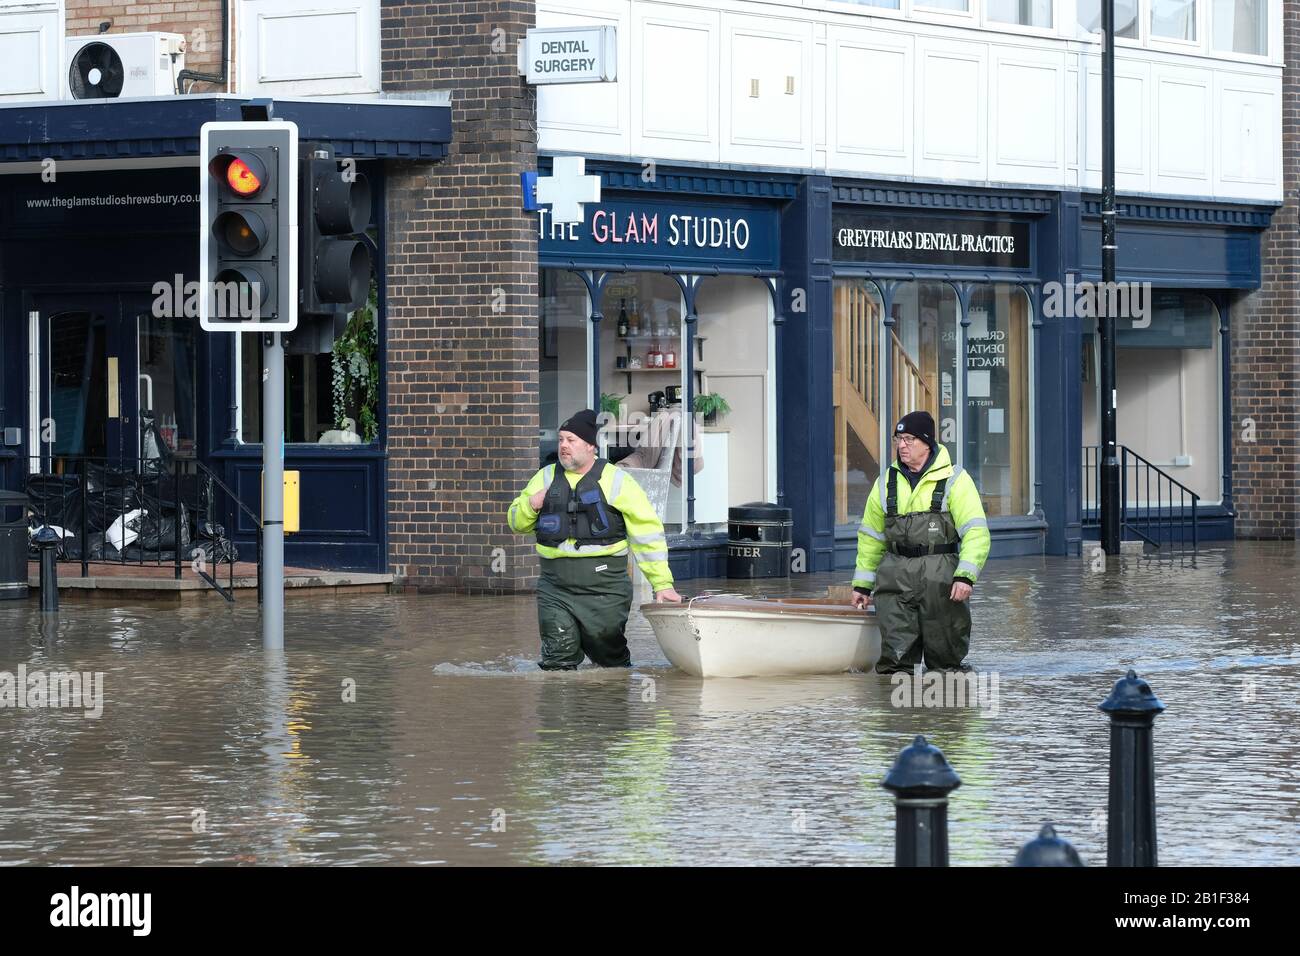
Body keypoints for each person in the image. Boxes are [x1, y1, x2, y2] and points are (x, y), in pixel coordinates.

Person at [508, 409, 683, 670]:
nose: (564, 446)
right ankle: (561, 707)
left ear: (590, 446)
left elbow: (647, 535)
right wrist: (531, 504)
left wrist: (662, 584)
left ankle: (606, 708)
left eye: (571, 440)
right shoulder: (544, 477)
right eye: (561, 440)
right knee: (557, 659)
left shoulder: (617, 481)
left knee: (610, 663)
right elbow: (516, 523)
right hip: (555, 588)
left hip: (605, 589)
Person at [850, 410, 990, 674]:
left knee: (945, 664)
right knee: (894, 663)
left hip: (942, 578)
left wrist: (966, 577)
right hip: (894, 577)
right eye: (898, 438)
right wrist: (862, 585)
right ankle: (897, 714)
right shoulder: (885, 482)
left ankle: (948, 714)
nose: (902, 445)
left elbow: (976, 533)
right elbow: (870, 538)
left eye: (909, 439)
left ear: (927, 442)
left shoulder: (955, 480)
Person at [617, 405, 704, 486]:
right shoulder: (680, 420)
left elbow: (643, 456)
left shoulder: (667, 418)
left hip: (642, 474)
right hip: (657, 481)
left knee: (619, 449)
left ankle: (616, 471)